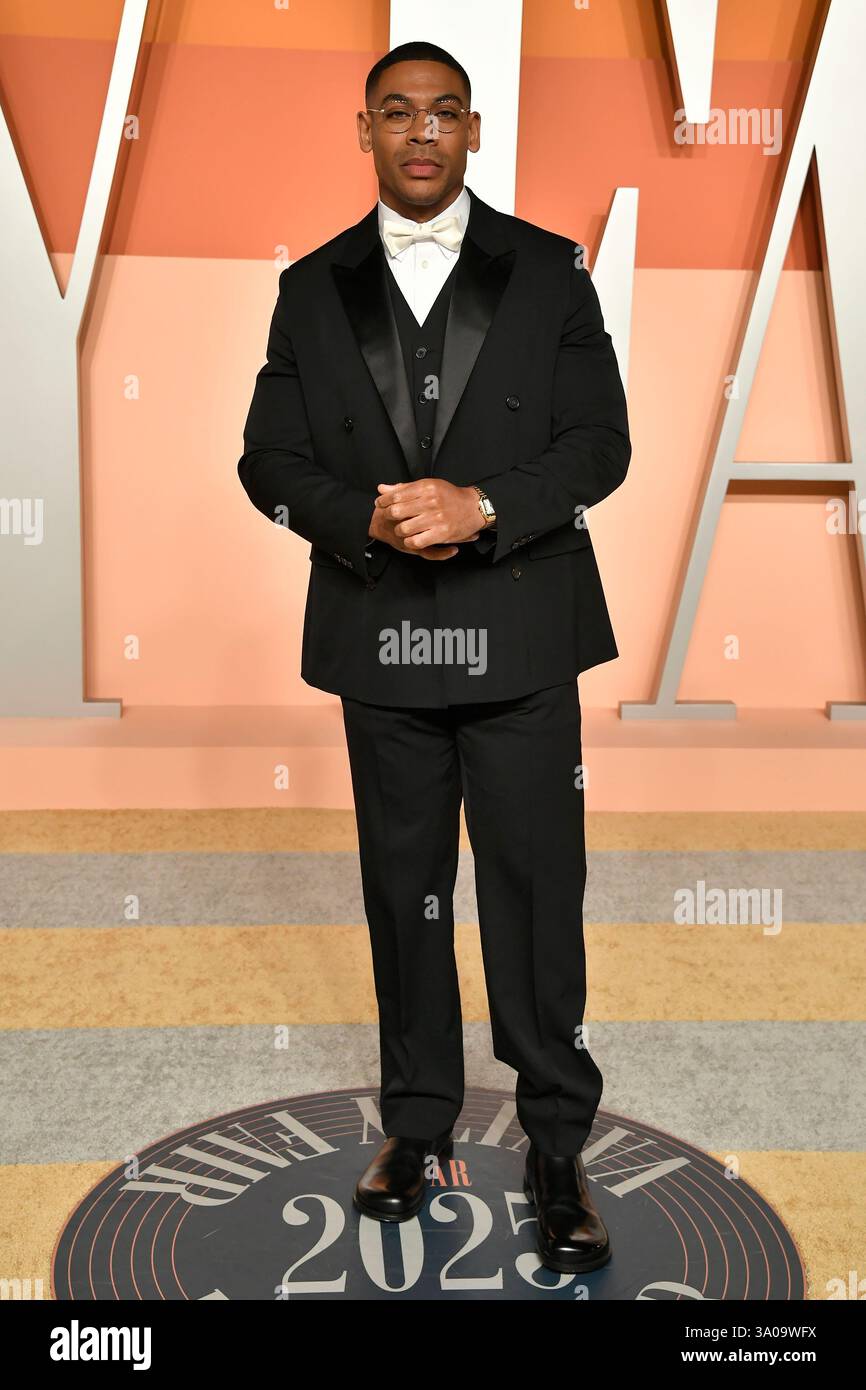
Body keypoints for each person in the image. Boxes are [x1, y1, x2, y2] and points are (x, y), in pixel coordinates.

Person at [237, 39, 631, 1274]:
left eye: (443, 112)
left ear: (473, 130)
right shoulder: (310, 287)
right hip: (383, 630)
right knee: (402, 889)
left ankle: (555, 1145)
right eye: (397, 113)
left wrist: (483, 505)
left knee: (533, 892)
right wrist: (365, 514)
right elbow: (266, 458)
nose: (420, 132)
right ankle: (415, 1123)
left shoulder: (550, 270)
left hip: (519, 628)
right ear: (364, 131)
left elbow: (599, 444)